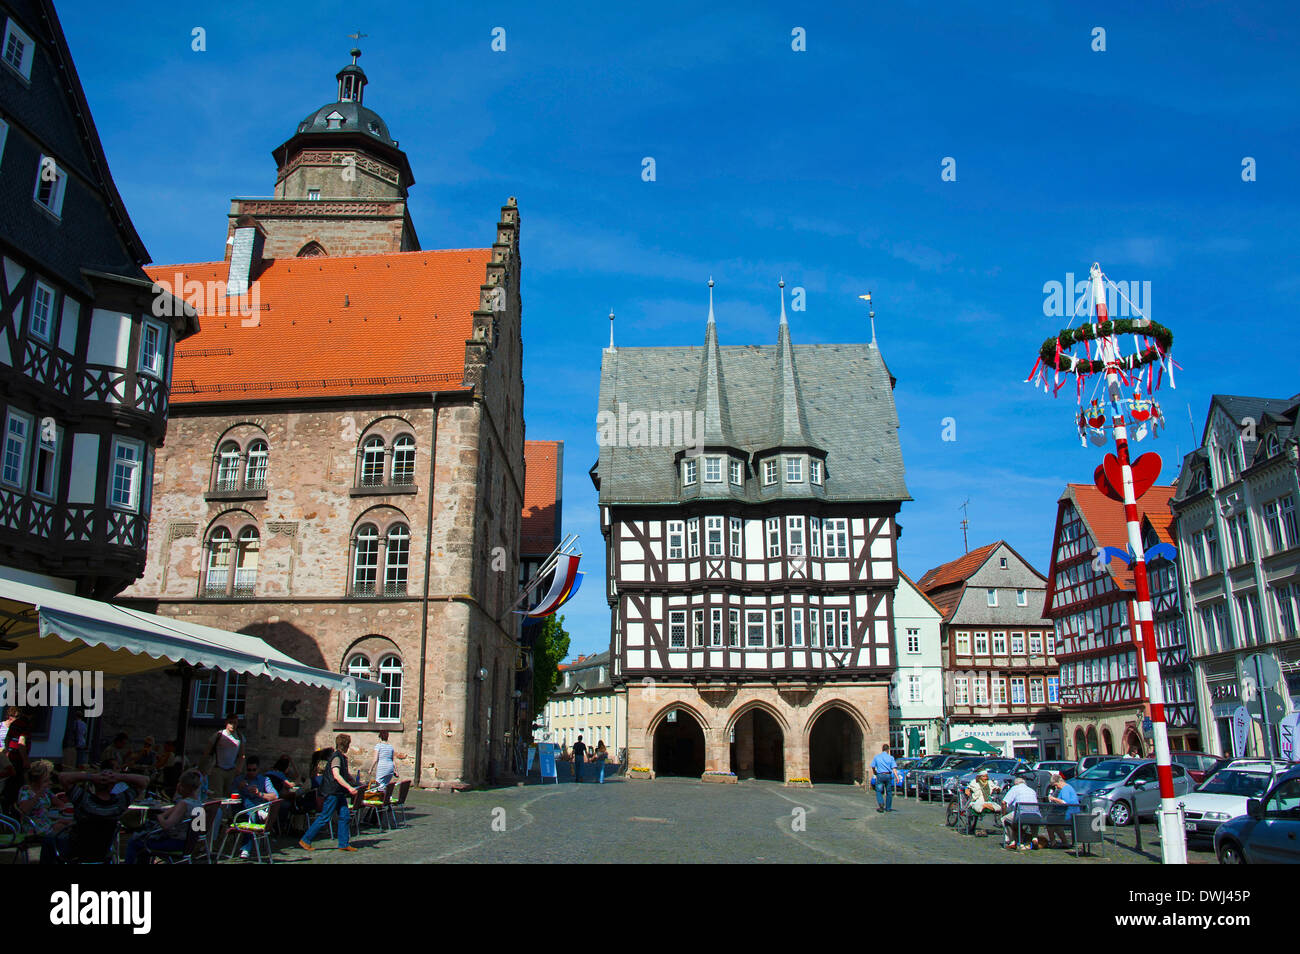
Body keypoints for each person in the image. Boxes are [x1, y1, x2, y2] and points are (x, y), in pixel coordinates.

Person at [52, 767, 149, 863]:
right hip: (103, 851)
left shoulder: (83, 799)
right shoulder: (120, 803)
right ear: (113, 786)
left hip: (76, 851)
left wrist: (92, 776)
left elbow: (62, 777)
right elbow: (145, 780)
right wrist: (118, 777)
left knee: (49, 840)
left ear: (94, 784)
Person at [124, 769, 204, 864]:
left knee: (134, 842)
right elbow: (201, 829)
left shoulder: (184, 804)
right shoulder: (199, 804)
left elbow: (166, 825)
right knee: (143, 843)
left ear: (184, 787)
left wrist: (158, 816)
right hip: (190, 844)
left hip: (177, 843)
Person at [299, 735, 360, 852]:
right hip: (332, 791)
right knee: (325, 817)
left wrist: (350, 783)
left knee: (345, 815)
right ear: (346, 745)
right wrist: (349, 787)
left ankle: (343, 843)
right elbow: (336, 775)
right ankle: (306, 840)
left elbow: (343, 774)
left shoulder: (341, 757)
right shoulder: (336, 758)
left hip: (338, 792)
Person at [16, 759, 73, 862]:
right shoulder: (26, 790)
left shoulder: (46, 790)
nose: (49, 780)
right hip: (33, 826)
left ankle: (61, 857)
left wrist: (65, 798)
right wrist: (38, 794)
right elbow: (24, 810)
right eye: (46, 777)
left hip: (47, 822)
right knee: (64, 832)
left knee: (70, 825)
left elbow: (61, 805)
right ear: (38, 778)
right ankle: (58, 858)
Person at [231, 755, 278, 859]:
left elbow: (275, 796)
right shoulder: (240, 779)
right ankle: (258, 812)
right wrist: (239, 788)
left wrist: (259, 794)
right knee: (246, 801)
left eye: (254, 770)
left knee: (251, 816)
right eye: (249, 770)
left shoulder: (264, 780)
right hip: (241, 809)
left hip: (255, 808)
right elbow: (231, 796)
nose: (251, 772)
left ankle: (245, 849)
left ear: (258, 769)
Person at [202, 714, 244, 798]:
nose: (232, 725)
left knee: (229, 796)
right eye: (230, 723)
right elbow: (207, 752)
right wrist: (203, 768)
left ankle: (225, 811)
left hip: (231, 771)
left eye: (235, 723)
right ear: (226, 723)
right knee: (217, 796)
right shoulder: (219, 735)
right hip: (218, 769)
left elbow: (242, 755)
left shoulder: (239, 737)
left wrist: (239, 768)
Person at [1001, 773, 1044, 850]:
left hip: (1022, 814)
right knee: (1032, 818)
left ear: (1015, 783)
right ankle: (1034, 838)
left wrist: (1003, 814)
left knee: (1005, 819)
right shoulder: (1031, 790)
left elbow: (1004, 802)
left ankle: (1012, 841)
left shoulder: (1015, 788)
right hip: (1036, 815)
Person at [1046, 770, 1081, 848]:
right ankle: (1063, 842)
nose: (1056, 787)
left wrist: (1053, 798)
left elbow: (1065, 802)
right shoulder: (1066, 788)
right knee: (1054, 823)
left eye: (1056, 785)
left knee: (1050, 823)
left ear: (1059, 782)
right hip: (1070, 813)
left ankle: (1053, 842)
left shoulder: (1065, 789)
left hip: (1070, 814)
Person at [964, 767, 1001, 833]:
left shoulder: (989, 782)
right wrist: (967, 790)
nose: (985, 778)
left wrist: (998, 789)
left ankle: (986, 805)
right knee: (978, 808)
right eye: (983, 776)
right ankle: (985, 805)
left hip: (988, 800)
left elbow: (996, 787)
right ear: (980, 777)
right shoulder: (974, 782)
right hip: (978, 800)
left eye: (986, 776)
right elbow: (968, 787)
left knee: (998, 808)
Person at [870, 744, 898, 813]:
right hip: (888, 775)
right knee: (889, 792)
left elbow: (873, 766)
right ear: (888, 750)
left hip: (880, 775)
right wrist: (897, 777)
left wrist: (874, 772)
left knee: (878, 791)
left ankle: (881, 803)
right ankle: (888, 808)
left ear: (882, 749)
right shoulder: (891, 758)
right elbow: (894, 768)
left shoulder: (877, 757)